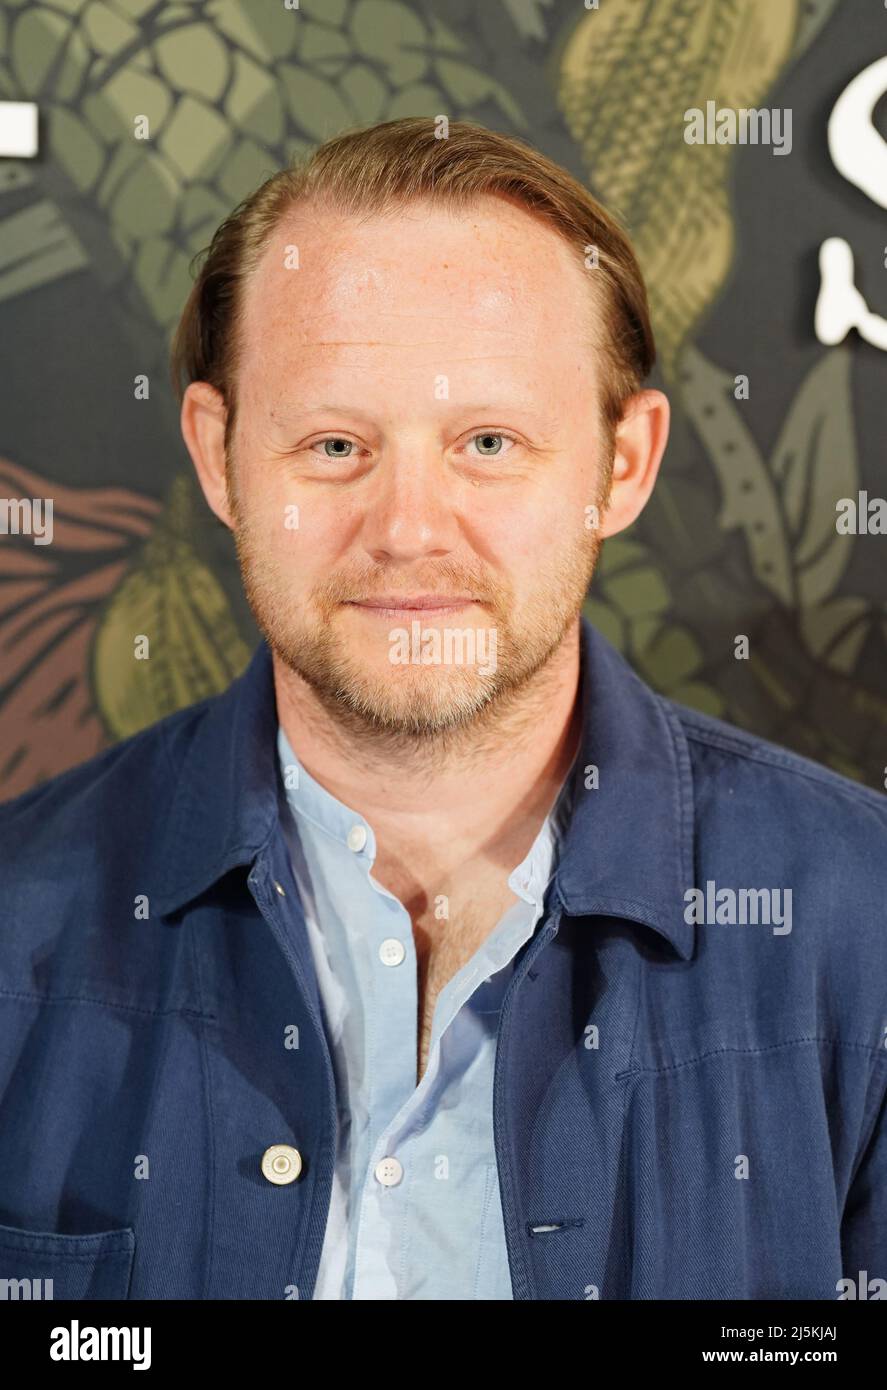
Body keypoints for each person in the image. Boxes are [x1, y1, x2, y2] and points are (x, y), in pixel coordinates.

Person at [0, 118, 884, 1301]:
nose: (409, 526)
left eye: (486, 440)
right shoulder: (17, 921)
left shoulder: (860, 925)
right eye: (332, 442)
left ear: (621, 465)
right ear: (217, 457)